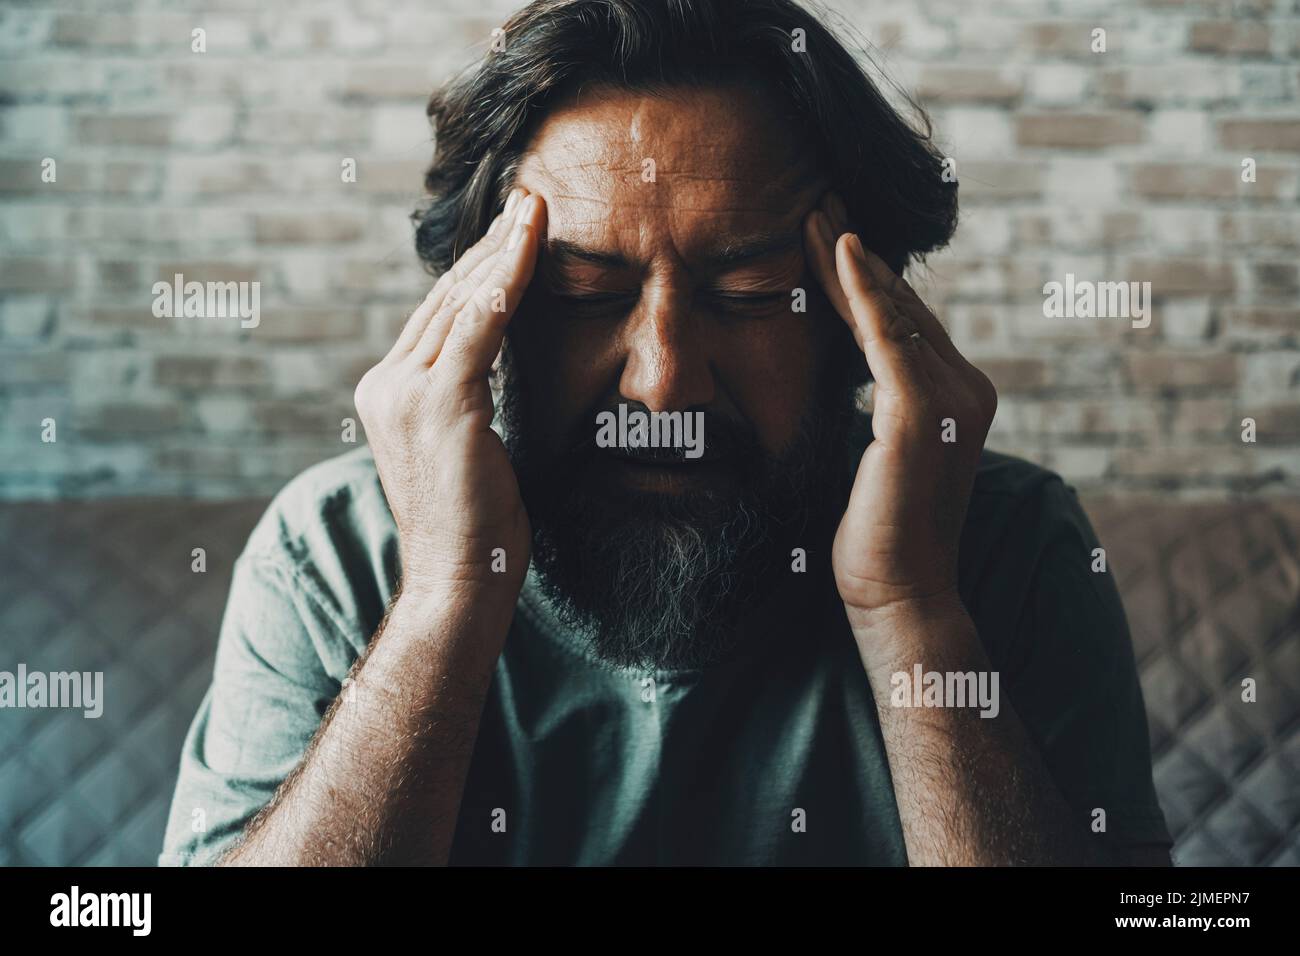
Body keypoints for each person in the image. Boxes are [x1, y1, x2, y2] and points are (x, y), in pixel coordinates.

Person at [161, 0, 1172, 866]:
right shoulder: (331, 554)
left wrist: (911, 605)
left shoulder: (1012, 548)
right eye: (583, 291)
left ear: (852, 315)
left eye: (745, 293)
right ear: (486, 310)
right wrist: (445, 595)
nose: (663, 383)